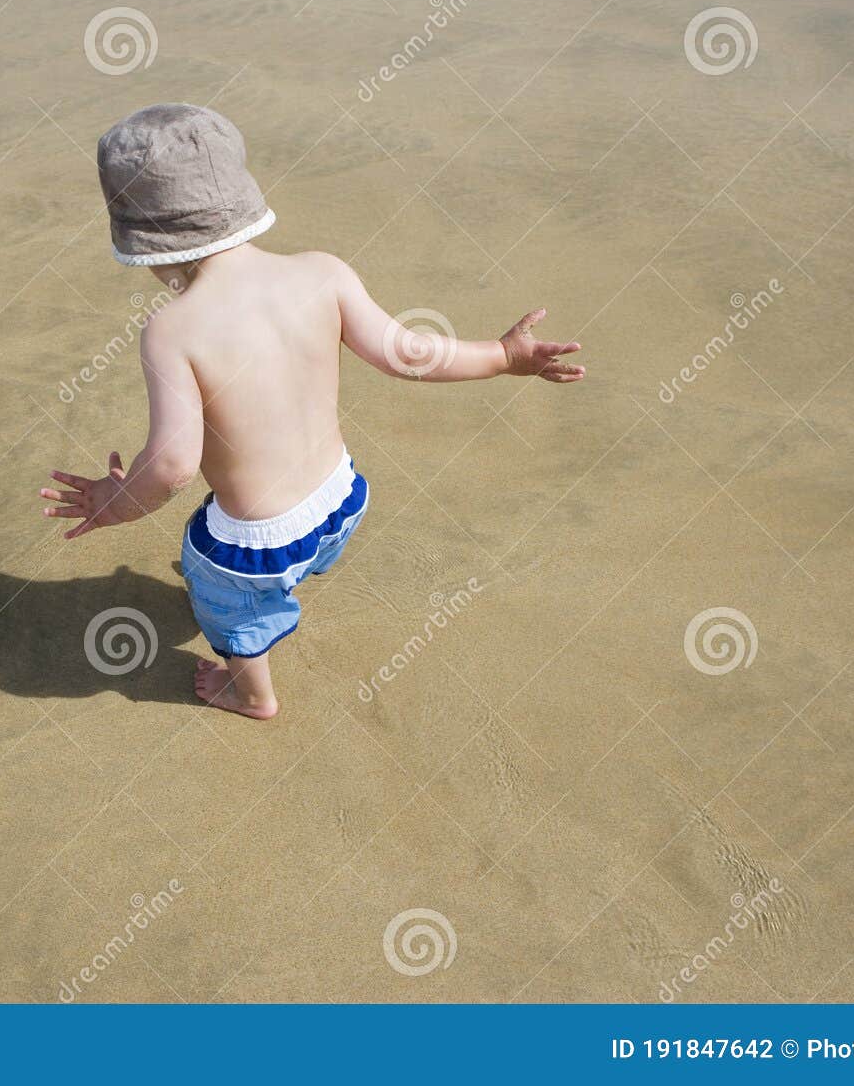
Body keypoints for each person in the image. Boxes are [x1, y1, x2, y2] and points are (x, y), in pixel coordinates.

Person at [41, 104, 584, 719]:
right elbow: (408, 354)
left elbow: (171, 466)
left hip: (256, 544)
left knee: (223, 595)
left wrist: (118, 502)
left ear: (149, 248)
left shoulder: (172, 330)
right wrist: (502, 355)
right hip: (342, 497)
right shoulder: (322, 272)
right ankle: (302, 568)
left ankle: (250, 694)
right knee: (295, 548)